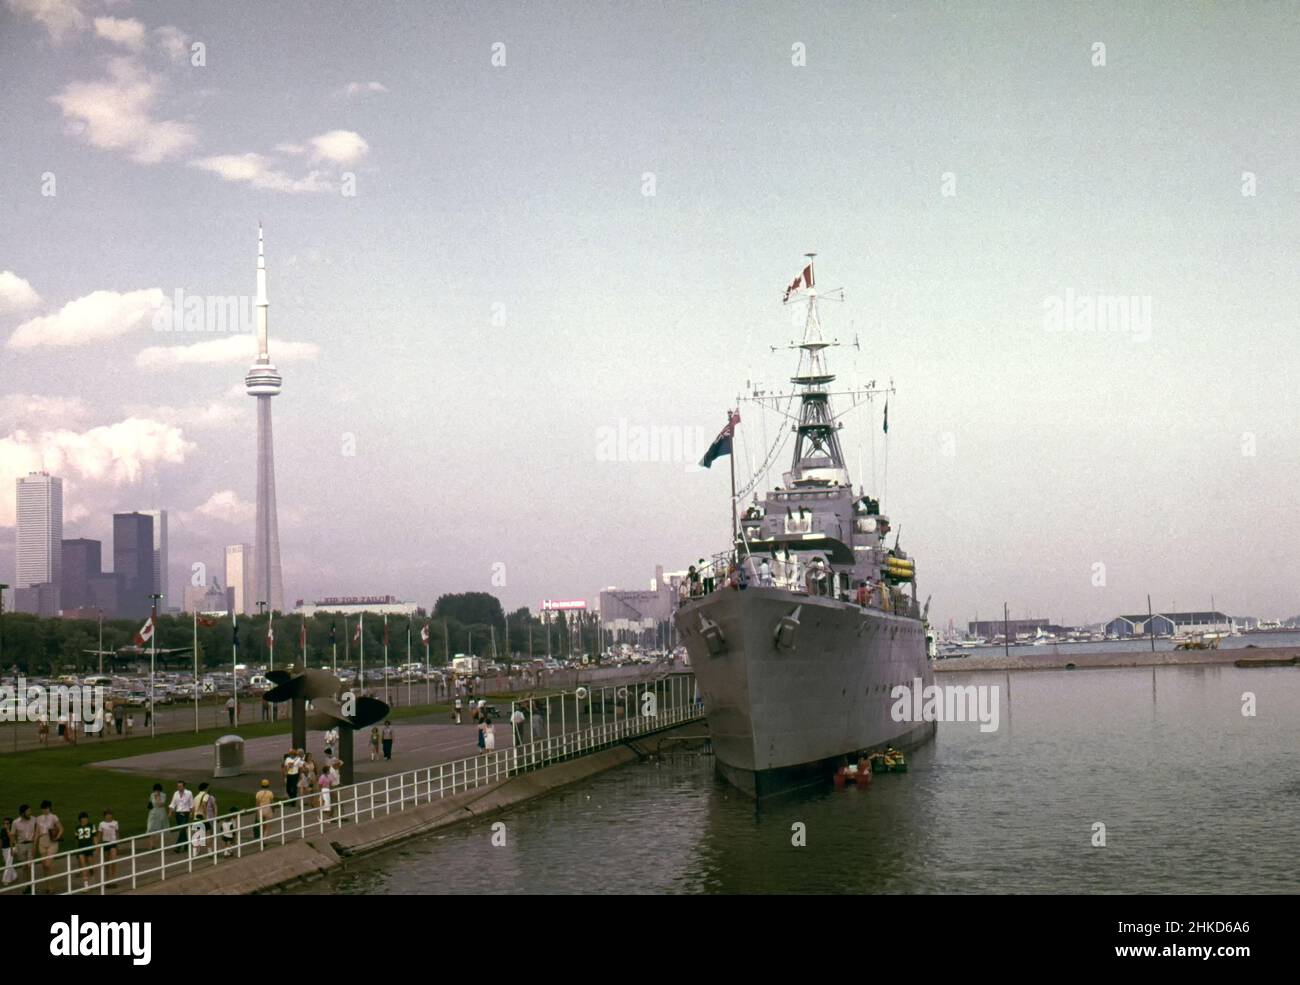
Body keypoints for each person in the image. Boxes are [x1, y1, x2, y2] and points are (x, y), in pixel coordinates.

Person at [34, 801, 63, 890]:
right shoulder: (38, 818)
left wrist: (57, 837)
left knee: (48, 864)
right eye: (43, 808)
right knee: (44, 866)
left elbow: (61, 828)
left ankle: (51, 885)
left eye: (46, 808)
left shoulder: (54, 817)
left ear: (49, 808)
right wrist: (34, 844)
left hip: (51, 842)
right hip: (42, 842)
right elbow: (37, 832)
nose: (45, 810)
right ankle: (48, 886)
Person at [12, 805, 36, 888]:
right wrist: (14, 848)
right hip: (21, 846)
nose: (30, 813)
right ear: (23, 813)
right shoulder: (15, 822)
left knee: (29, 866)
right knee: (24, 867)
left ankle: (32, 886)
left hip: (31, 845)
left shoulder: (34, 819)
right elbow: (12, 835)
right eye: (28, 811)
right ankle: (28, 886)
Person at [168, 781, 193, 853]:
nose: (179, 788)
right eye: (178, 786)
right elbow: (172, 804)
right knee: (182, 830)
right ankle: (187, 844)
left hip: (185, 813)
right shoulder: (175, 793)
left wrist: (191, 813)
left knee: (182, 829)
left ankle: (177, 847)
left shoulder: (189, 793)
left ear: (184, 786)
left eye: (180, 786)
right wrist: (170, 812)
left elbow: (191, 804)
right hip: (178, 814)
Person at [97, 809, 119, 884]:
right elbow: (99, 835)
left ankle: (113, 878)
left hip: (113, 842)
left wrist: (118, 843)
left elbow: (117, 833)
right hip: (105, 843)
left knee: (113, 860)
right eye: (107, 814)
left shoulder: (115, 823)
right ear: (105, 816)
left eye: (110, 814)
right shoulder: (101, 824)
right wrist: (98, 846)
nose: (109, 816)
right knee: (106, 862)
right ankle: (108, 879)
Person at [74, 812, 95, 889]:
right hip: (81, 848)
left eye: (86, 818)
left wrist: (96, 847)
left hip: (89, 848)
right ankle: (85, 884)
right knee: (83, 866)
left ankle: (92, 876)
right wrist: (76, 850)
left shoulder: (91, 826)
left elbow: (94, 836)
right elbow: (76, 839)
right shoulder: (77, 827)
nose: (85, 819)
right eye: (83, 818)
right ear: (80, 819)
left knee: (91, 865)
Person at [145, 784, 168, 849]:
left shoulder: (163, 795)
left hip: (161, 813)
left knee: (160, 828)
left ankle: (161, 844)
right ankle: (152, 845)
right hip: (153, 813)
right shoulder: (152, 794)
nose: (156, 792)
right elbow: (150, 804)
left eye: (157, 790)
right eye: (155, 790)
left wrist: (157, 796)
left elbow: (160, 804)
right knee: (150, 828)